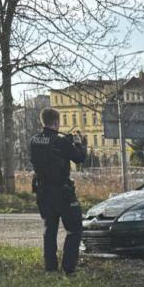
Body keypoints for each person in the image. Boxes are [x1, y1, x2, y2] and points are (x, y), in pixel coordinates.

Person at [29, 107, 87, 275]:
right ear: (56, 122)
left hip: (43, 191)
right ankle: (68, 269)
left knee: (49, 230)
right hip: (62, 192)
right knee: (74, 229)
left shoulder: (34, 140)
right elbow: (80, 158)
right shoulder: (61, 142)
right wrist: (80, 145)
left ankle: (51, 268)